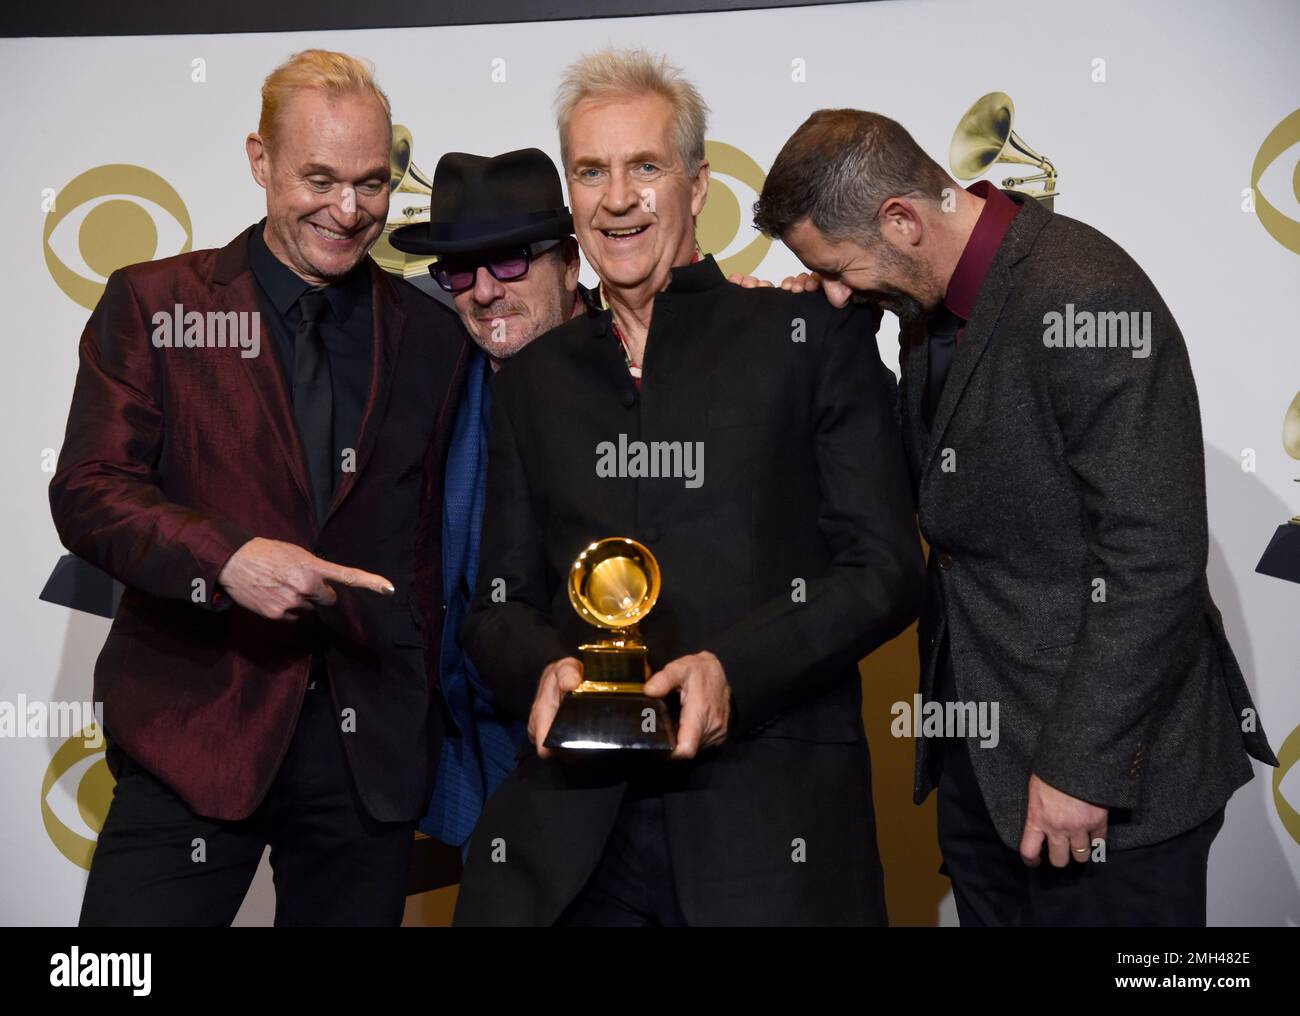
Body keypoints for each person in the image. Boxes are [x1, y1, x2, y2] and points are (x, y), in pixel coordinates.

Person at [753, 108, 1278, 926]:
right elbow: (933, 495)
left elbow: (1154, 556)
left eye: (841, 267)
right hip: (985, 773)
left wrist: (1082, 768)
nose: (838, 287)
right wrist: (837, 329)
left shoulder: (1086, 293)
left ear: (902, 219)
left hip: (1108, 784)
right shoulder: (926, 301)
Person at [452, 49, 924, 926]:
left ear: (698, 184)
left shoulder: (808, 336)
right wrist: (544, 670)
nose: (617, 198)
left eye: (646, 167)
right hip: (573, 843)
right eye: (591, 171)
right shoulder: (535, 379)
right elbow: (494, 604)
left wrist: (730, 672)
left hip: (769, 827)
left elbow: (885, 569)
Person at [49, 48, 469, 926]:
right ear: (260, 161)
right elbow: (90, 490)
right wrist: (226, 558)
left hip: (368, 755)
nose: (349, 210)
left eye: (370, 182)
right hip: (193, 731)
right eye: (319, 178)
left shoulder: (431, 333)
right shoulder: (157, 302)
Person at [389, 149, 590, 848]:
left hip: (611, 755)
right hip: (470, 754)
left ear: (569, 262)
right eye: (460, 272)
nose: (482, 291)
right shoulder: (433, 384)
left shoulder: (645, 369)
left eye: (509, 261)